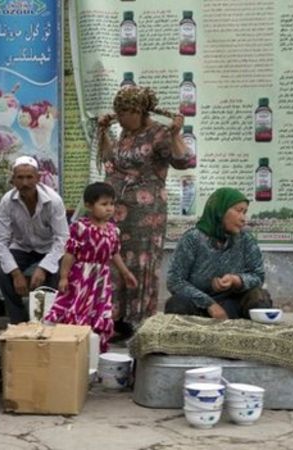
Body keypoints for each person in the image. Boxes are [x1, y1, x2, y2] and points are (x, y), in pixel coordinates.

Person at [97, 85, 193, 339]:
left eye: (125, 113)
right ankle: (116, 320)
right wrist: (104, 131)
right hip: (117, 212)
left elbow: (183, 161)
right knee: (115, 261)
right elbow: (109, 159)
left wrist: (176, 134)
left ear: (139, 111)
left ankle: (139, 320)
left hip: (146, 214)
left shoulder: (159, 133)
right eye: (118, 113)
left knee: (140, 262)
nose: (121, 118)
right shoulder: (125, 134)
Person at [44, 182, 138, 352]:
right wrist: (64, 277)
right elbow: (70, 254)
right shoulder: (80, 227)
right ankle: (70, 346)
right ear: (88, 205)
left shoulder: (113, 230)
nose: (109, 208)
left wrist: (125, 273)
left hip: (101, 278)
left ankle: (93, 349)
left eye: (111, 204)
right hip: (81, 277)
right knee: (77, 308)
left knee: (99, 310)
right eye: (103, 204)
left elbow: (114, 253)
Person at [164, 188, 273, 319]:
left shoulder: (246, 240)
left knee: (259, 297)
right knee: (176, 303)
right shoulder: (193, 239)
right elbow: (175, 281)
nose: (243, 219)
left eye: (245, 212)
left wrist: (236, 280)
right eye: (238, 211)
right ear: (220, 211)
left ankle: (250, 332)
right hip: (199, 306)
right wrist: (209, 304)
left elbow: (258, 276)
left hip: (232, 306)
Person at [0, 155, 69, 324]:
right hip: (22, 247)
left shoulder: (53, 201)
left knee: (55, 273)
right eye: (20, 178)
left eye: (29, 177)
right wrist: (16, 273)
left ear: (38, 178)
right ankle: (18, 321)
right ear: (13, 180)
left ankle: (46, 319)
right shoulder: (7, 202)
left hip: (49, 248)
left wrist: (43, 268)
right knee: (1, 272)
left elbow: (62, 238)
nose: (25, 183)